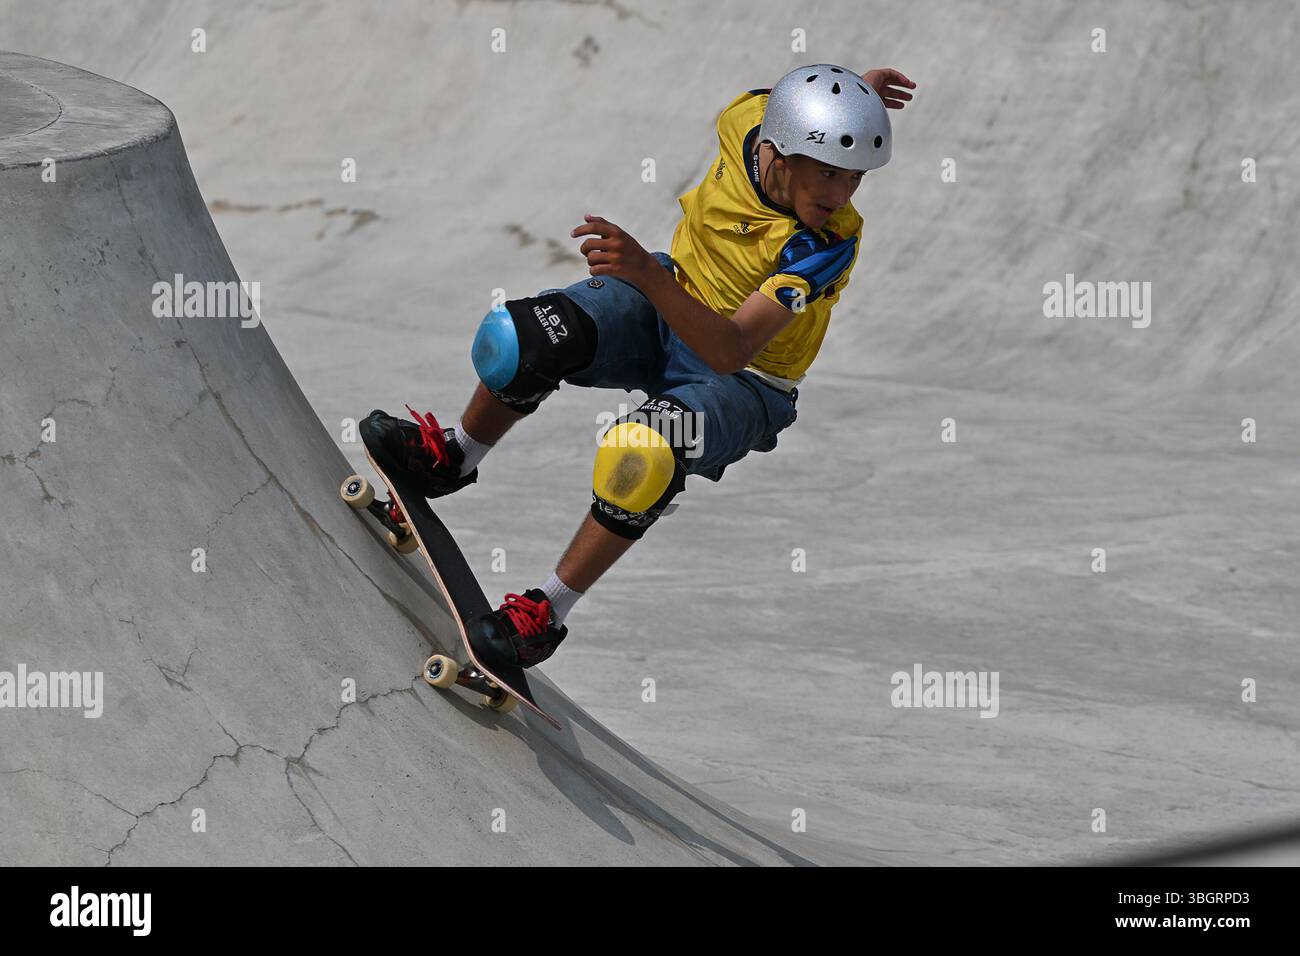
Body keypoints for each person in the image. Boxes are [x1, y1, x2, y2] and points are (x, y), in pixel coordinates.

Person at [362, 63, 916, 670]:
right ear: (779, 147)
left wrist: (647, 274)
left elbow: (730, 349)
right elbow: (785, 98)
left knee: (644, 452)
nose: (838, 196)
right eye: (829, 172)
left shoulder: (827, 246)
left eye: (855, 178)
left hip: (744, 382)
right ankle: (454, 457)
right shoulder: (744, 118)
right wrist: (850, 91)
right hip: (664, 309)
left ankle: (544, 614)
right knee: (518, 340)